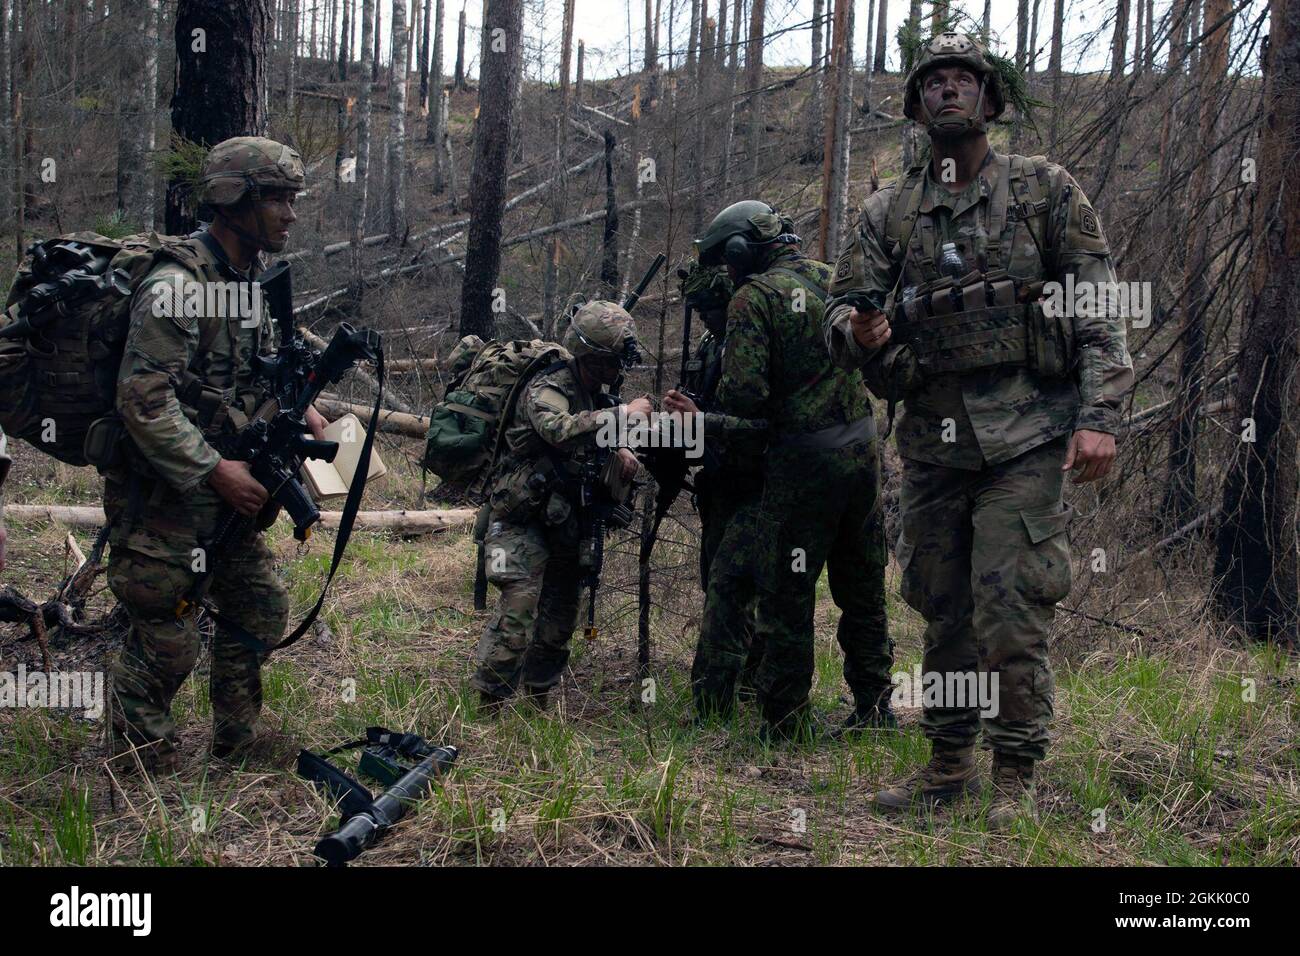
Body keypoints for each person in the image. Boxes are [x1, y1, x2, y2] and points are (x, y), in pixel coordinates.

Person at [825, 33, 1134, 826]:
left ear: (990, 101)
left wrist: (1100, 417)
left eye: (964, 80)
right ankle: (949, 763)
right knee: (942, 607)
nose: (948, 91)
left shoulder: (1044, 190)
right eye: (934, 82)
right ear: (917, 104)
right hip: (933, 440)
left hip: (1027, 433)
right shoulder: (888, 208)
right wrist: (855, 333)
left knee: (1010, 605)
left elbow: (1099, 304)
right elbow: (845, 305)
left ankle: (1016, 777)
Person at [106, 136, 325, 772]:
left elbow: (246, 370)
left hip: (224, 499)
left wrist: (300, 403)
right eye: (277, 199)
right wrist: (215, 470)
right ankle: (143, 765)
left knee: (259, 606)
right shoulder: (176, 285)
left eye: (292, 199)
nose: (290, 213)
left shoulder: (244, 283)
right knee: (167, 639)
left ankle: (236, 743)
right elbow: (144, 401)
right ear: (234, 200)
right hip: (164, 502)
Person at [687, 200, 894, 741]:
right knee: (863, 589)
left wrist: (700, 420)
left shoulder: (753, 298)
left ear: (739, 254)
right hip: (864, 458)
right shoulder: (834, 278)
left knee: (787, 593)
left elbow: (746, 397)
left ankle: (784, 721)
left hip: (804, 464)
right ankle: (875, 709)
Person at [471, 301, 646, 712]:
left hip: (567, 517)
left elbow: (592, 432)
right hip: (520, 517)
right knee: (519, 610)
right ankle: (489, 704)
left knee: (560, 619)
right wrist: (624, 415)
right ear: (591, 357)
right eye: (609, 362)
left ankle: (537, 701)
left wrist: (620, 448)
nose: (615, 371)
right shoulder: (549, 386)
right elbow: (559, 430)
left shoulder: (594, 393)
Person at [663, 262, 765, 697]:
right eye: (699, 309)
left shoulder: (752, 339)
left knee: (732, 582)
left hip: (756, 479)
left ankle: (721, 693)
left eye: (710, 307)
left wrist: (702, 419)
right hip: (719, 478)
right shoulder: (711, 343)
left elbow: (761, 419)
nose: (705, 316)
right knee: (717, 580)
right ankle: (745, 678)